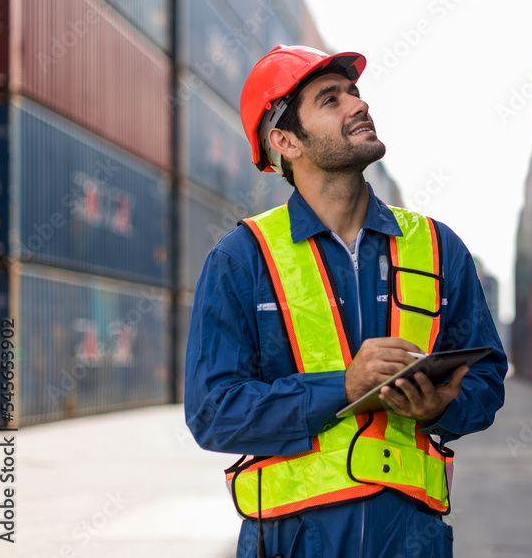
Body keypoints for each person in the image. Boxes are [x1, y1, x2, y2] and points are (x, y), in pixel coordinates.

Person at [184, 45, 507, 557]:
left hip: (411, 539)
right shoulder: (243, 259)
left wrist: (442, 407)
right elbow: (214, 413)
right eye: (330, 99)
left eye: (355, 93)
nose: (358, 105)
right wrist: (344, 387)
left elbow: (487, 379)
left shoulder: (438, 247)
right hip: (292, 543)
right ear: (285, 140)